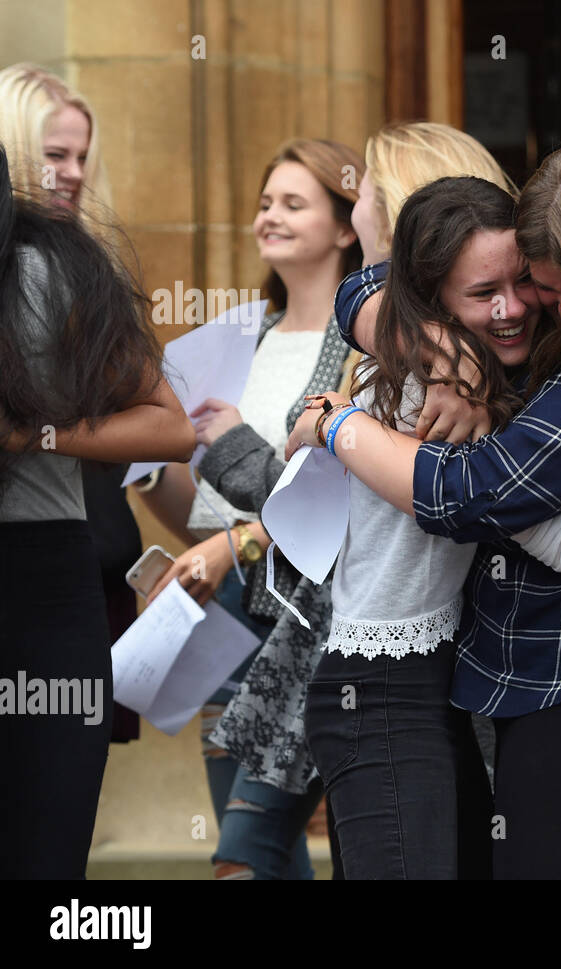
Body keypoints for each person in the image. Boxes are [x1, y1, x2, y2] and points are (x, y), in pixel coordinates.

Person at [291, 145, 561, 878]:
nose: (518, 305)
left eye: (529, 283)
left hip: (552, 678)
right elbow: (367, 291)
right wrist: (361, 389)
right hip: (390, 688)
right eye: (487, 290)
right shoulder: (437, 380)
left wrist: (337, 423)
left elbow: (505, 508)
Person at [135, 138, 363, 880]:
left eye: (294, 203)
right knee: (263, 858)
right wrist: (140, 474)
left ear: (346, 226)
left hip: (306, 625)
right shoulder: (239, 340)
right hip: (226, 620)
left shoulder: (359, 346)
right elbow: (204, 520)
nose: (271, 216)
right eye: (266, 202)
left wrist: (233, 542)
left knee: (242, 856)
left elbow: (332, 508)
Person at [0, 145, 195, 878]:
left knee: (43, 859)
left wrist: (29, 433)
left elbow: (170, 426)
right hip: (49, 593)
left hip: (39, 589)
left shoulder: (41, 272)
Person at [0, 62, 147, 745]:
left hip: (75, 568)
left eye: (83, 156)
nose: (75, 172)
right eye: (54, 155)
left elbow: (162, 430)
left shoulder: (86, 273)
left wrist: (39, 437)